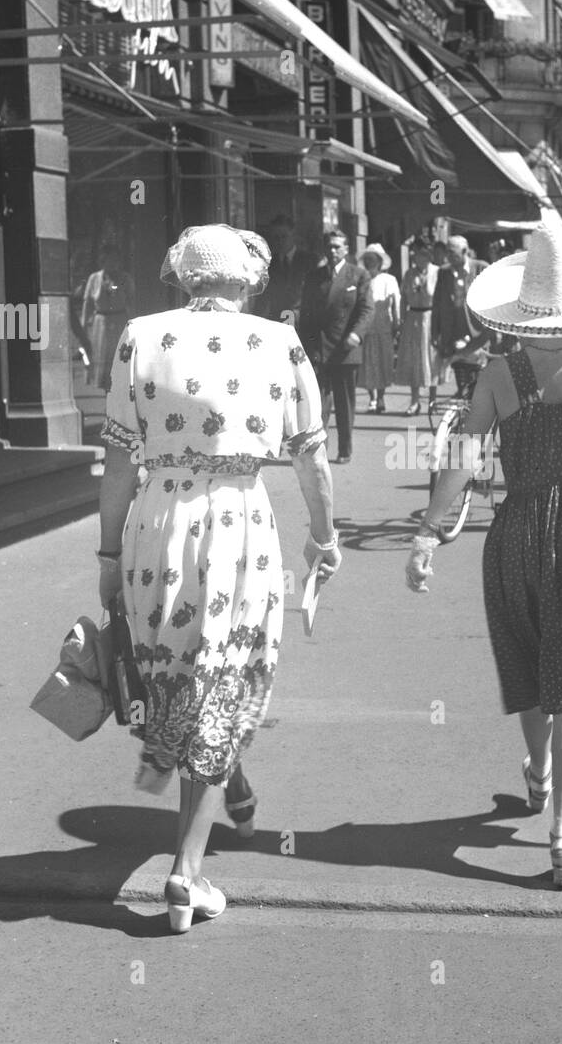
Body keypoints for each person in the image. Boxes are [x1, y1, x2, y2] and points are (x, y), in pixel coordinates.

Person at [97, 223, 339, 933]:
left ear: (184, 277)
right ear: (244, 280)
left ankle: (224, 783)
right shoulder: (279, 342)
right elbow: (311, 460)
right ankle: (185, 873)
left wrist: (108, 558)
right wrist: (324, 539)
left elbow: (116, 465)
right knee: (222, 680)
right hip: (237, 522)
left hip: (156, 521)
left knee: (184, 673)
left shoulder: (139, 335)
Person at [405, 222, 562, 888]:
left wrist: (428, 533)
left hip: (512, 535)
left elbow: (461, 462)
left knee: (528, 661)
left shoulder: (494, 374)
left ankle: (537, 772)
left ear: (519, 311)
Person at [298, 229, 374, 464]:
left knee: (344, 403)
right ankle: (318, 448)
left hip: (345, 348)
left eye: (337, 246)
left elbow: (367, 310)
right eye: (329, 246)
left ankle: (345, 448)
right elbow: (306, 313)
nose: (333, 251)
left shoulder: (359, 275)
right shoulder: (314, 277)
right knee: (317, 403)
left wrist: (356, 335)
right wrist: (303, 346)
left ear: (346, 249)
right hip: (319, 348)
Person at [433, 235, 487, 396]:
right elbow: (437, 304)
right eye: (447, 253)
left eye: (452, 253)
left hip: (478, 330)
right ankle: (463, 394)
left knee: (478, 376)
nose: (449, 257)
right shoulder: (444, 272)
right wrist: (435, 332)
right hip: (453, 330)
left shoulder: (481, 268)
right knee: (459, 369)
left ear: (464, 251)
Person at [81, 242, 132, 390]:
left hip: (119, 321)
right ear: (102, 261)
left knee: (119, 361)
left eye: (115, 259)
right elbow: (87, 304)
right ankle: (106, 396)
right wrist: (83, 327)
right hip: (101, 325)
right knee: (102, 364)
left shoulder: (125, 278)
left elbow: (132, 301)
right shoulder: (94, 278)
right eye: (108, 259)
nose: (112, 263)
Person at [397, 236, 439, 416]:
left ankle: (432, 401)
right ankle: (414, 401)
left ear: (429, 256)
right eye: (416, 254)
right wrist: (401, 320)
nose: (419, 258)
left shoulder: (437, 272)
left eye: (423, 254)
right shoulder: (409, 274)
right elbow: (403, 299)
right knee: (414, 360)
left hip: (431, 318)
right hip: (413, 319)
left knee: (431, 359)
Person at [251, 213, 318, 325]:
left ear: (293, 236)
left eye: (284, 236)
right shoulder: (269, 265)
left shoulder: (310, 261)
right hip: (279, 322)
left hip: (304, 322)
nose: (280, 241)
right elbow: (262, 298)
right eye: (276, 237)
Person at [359, 243, 400, 413]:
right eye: (367, 259)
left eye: (373, 259)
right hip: (367, 327)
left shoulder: (389, 280)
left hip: (384, 326)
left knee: (383, 363)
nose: (370, 262)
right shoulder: (362, 278)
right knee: (368, 363)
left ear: (380, 261)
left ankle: (381, 397)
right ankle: (372, 398)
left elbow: (396, 303)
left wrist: (397, 323)